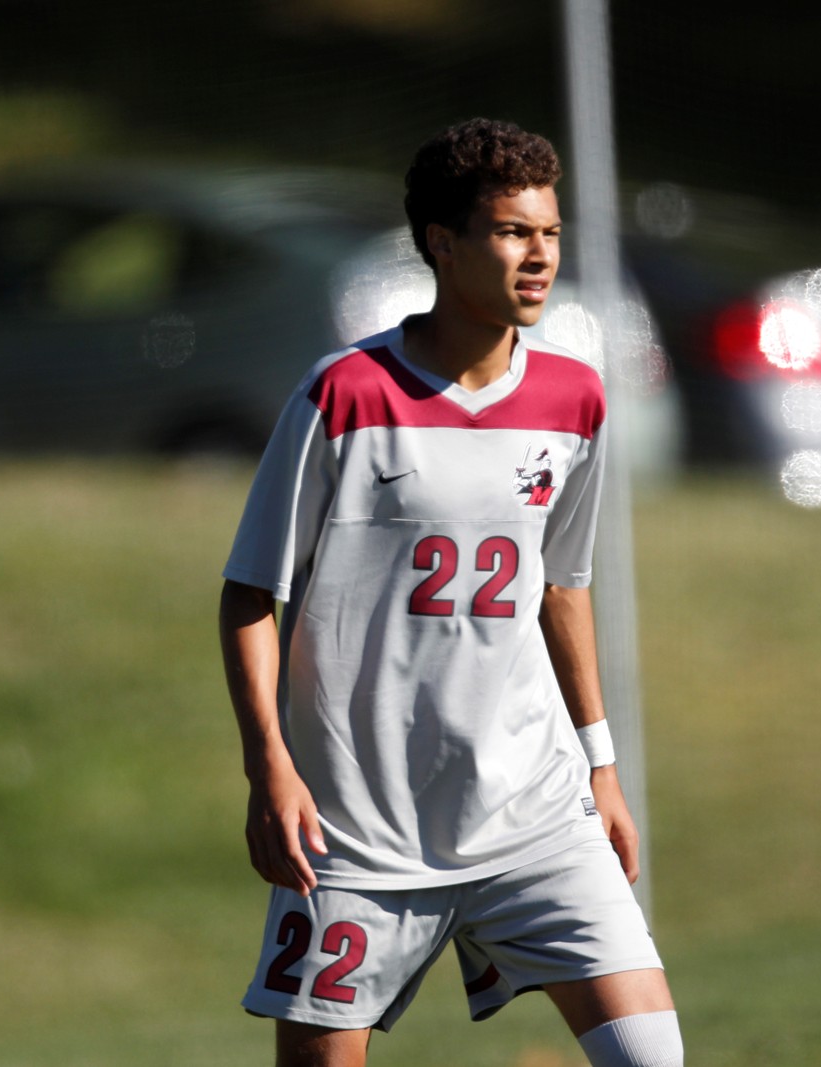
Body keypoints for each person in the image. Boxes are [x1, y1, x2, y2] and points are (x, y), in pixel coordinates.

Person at [218, 117, 683, 1067]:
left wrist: (600, 766)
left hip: (534, 812)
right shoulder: (345, 394)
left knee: (652, 1057)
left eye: (550, 233)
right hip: (358, 829)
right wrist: (270, 767)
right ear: (442, 242)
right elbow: (249, 595)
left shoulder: (576, 400)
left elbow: (562, 587)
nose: (539, 256)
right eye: (512, 232)